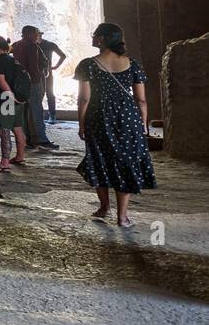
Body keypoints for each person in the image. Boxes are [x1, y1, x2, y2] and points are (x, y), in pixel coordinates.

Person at [75, 22, 155, 227]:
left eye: (95, 35)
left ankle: (103, 207)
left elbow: (84, 99)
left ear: (102, 38)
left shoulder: (88, 64)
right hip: (128, 117)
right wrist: (144, 123)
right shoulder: (133, 64)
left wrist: (82, 124)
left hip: (98, 116)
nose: (92, 38)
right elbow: (141, 99)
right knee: (126, 161)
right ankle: (122, 217)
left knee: (99, 158)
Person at [12, 25, 58, 150]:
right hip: (33, 81)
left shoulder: (15, 45)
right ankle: (41, 139)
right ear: (30, 34)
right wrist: (37, 78)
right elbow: (34, 65)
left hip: (19, 83)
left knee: (25, 111)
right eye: (36, 33)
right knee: (37, 109)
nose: (38, 35)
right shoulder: (32, 46)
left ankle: (27, 139)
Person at [0, 36, 27, 171]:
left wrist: (10, 95)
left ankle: (4, 162)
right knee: (18, 128)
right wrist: (17, 97)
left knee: (4, 130)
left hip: (6, 99)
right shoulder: (14, 60)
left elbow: (1, 80)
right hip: (19, 99)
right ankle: (20, 156)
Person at [39, 34, 67, 124]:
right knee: (45, 94)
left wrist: (55, 66)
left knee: (48, 94)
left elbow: (63, 55)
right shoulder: (48, 44)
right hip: (42, 73)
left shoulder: (49, 44)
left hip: (45, 73)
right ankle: (47, 116)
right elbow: (62, 55)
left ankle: (51, 115)